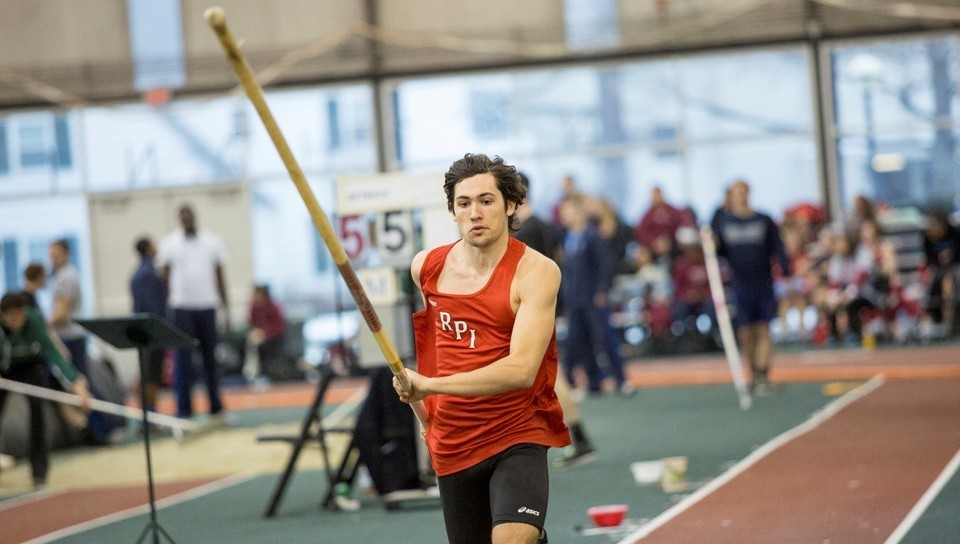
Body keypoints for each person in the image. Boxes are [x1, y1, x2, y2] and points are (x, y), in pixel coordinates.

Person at [393, 154, 569, 544]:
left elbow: (521, 369)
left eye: (486, 201)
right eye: (464, 203)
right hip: (454, 440)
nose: (475, 212)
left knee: (511, 539)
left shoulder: (536, 272)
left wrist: (431, 386)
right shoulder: (426, 267)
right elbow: (436, 350)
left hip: (517, 429)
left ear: (510, 205)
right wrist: (426, 414)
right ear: (452, 211)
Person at [514, 172, 596, 469]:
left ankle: (578, 438)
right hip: (540, 307)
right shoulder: (540, 226)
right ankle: (575, 438)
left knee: (550, 375)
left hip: (533, 309)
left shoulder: (528, 230)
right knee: (545, 376)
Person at [0, 293, 91, 488]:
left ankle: (39, 473)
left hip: (30, 366)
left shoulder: (33, 321)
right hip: (4, 369)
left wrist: (76, 383)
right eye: (12, 317)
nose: (17, 321)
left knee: (37, 413)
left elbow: (53, 353)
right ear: (3, 315)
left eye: (20, 316)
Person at [711, 180, 790, 394]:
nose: (740, 196)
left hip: (763, 282)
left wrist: (786, 271)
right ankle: (753, 372)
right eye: (736, 193)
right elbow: (716, 250)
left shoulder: (763, 220)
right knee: (745, 331)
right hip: (739, 284)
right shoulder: (723, 222)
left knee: (764, 328)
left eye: (743, 192)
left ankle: (764, 373)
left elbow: (777, 247)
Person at [157, 205, 228, 420]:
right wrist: (166, 308)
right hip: (182, 308)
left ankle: (216, 408)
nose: (187, 220)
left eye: (190, 216)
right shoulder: (169, 244)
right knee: (183, 360)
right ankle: (184, 409)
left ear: (195, 217)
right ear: (179, 219)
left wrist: (226, 307)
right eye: (183, 217)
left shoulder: (212, 241)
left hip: (207, 305)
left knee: (210, 359)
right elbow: (164, 278)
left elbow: (220, 275)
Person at [559, 194, 632, 396]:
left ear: (579, 212)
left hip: (593, 299)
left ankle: (621, 380)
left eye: (568, 211)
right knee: (580, 342)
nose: (564, 215)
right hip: (575, 300)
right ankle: (594, 383)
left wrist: (602, 291)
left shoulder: (592, 237)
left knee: (605, 339)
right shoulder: (567, 238)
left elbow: (605, 265)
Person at [130, 236, 168, 413]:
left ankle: (149, 412)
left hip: (142, 328)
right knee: (151, 374)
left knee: (147, 373)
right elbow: (154, 306)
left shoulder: (136, 273)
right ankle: (150, 412)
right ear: (148, 248)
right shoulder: (150, 273)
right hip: (152, 331)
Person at [48, 240, 87, 375]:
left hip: (70, 337)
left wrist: (43, 326)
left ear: (66, 254)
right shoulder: (62, 275)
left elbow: (62, 313)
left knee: (76, 378)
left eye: (56, 255)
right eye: (51, 255)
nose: (53, 259)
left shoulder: (66, 277)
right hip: (68, 335)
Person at [244, 284, 286, 382]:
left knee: (270, 351)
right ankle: (252, 373)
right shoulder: (253, 306)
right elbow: (251, 323)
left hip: (274, 338)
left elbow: (279, 326)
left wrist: (265, 334)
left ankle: (274, 374)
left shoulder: (274, 307)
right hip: (258, 338)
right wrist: (255, 332)